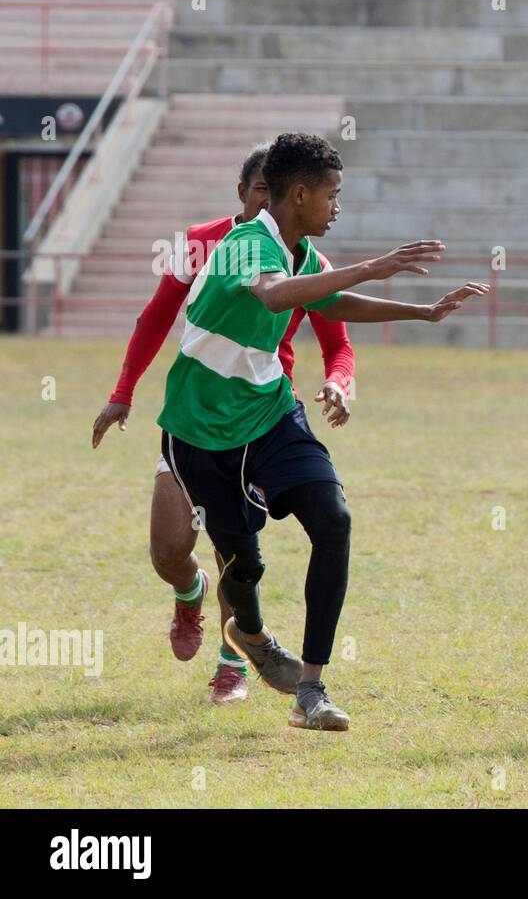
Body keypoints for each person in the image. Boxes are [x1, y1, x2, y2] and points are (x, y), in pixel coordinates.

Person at [156, 131, 488, 731]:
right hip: (199, 428)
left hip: (268, 410)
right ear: (301, 193)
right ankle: (252, 635)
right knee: (244, 567)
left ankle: (311, 690)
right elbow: (273, 294)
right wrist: (377, 265)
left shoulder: (302, 250)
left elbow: (334, 306)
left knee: (333, 519)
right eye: (333, 195)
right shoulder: (245, 246)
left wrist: (423, 311)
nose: (338, 207)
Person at [91, 143, 355, 704]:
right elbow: (157, 316)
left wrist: (339, 380)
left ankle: (233, 664)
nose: (267, 202)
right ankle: (190, 593)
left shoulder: (306, 254)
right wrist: (122, 392)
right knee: (168, 550)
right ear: (245, 194)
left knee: (246, 541)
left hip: (266, 414)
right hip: (199, 416)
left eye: (273, 191)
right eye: (259, 192)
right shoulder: (210, 244)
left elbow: (338, 341)